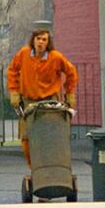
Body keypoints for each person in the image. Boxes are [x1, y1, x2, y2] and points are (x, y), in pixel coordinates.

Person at [6, 28, 78, 166]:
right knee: (26, 138)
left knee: (51, 136)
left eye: (44, 39)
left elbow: (71, 72)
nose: (40, 42)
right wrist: (14, 91)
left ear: (48, 42)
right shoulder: (24, 54)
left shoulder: (56, 57)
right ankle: (34, 168)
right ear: (33, 40)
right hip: (28, 101)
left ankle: (52, 165)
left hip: (50, 101)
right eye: (38, 38)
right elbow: (12, 70)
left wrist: (69, 92)